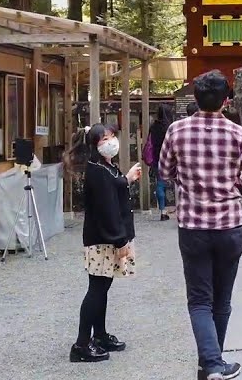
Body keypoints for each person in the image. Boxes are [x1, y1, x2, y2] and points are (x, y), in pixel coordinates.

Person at [160, 70, 242, 380]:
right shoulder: (237, 134)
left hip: (193, 226)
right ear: (226, 100)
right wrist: (232, 182)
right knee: (222, 300)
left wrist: (186, 182)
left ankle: (211, 368)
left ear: (195, 97)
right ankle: (214, 366)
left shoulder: (176, 130)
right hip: (229, 226)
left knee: (200, 301)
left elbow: (163, 172)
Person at [70, 124, 142, 363]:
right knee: (97, 289)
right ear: (94, 145)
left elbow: (114, 188)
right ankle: (81, 344)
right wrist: (120, 239)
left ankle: (99, 335)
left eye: (112, 137)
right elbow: (107, 208)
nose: (111, 141)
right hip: (103, 238)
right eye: (105, 139)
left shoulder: (105, 167)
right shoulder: (97, 171)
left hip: (107, 236)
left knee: (103, 286)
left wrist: (127, 178)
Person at [149, 103, 173, 221]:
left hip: (156, 158)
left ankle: (163, 210)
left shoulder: (153, 126)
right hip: (170, 158)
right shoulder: (170, 127)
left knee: (159, 184)